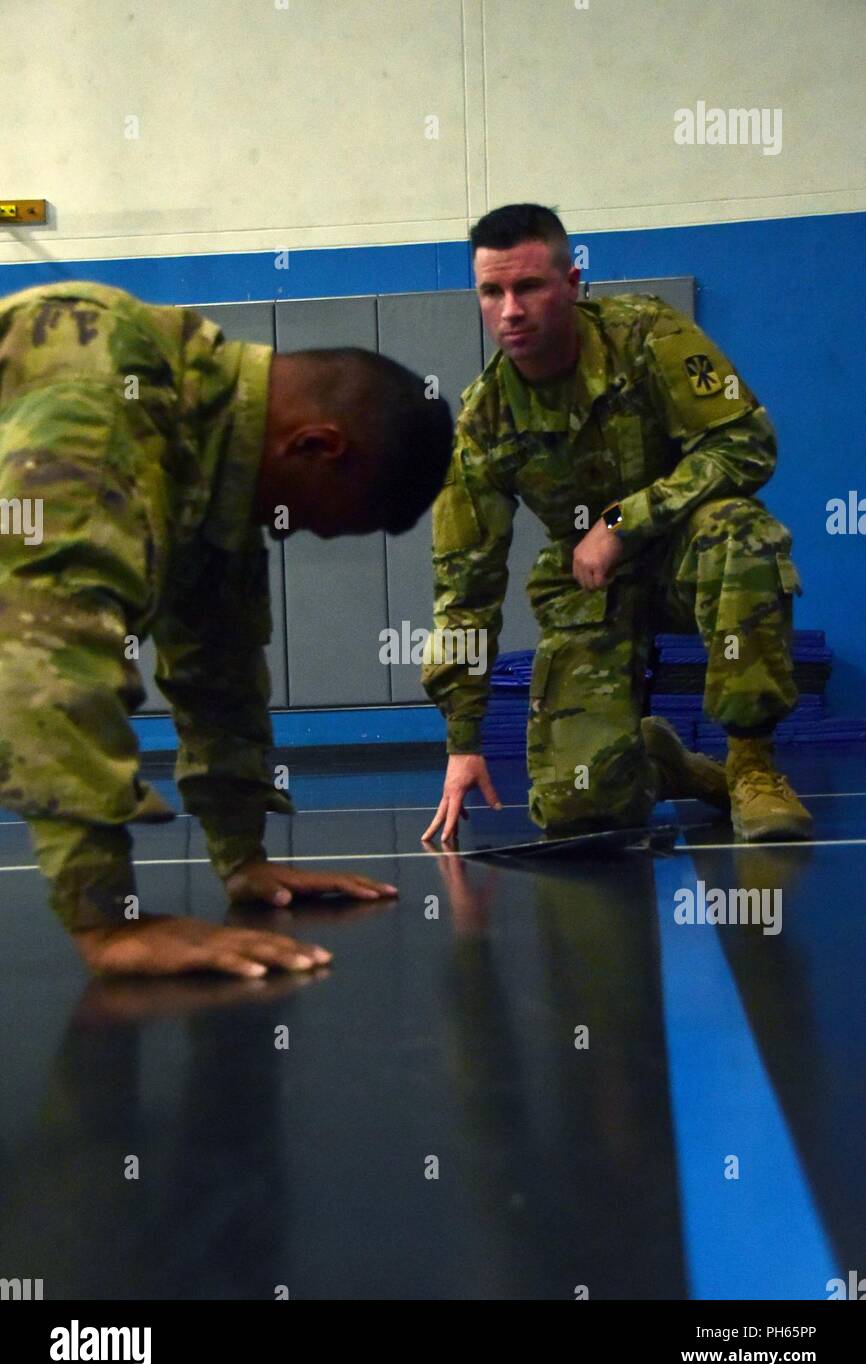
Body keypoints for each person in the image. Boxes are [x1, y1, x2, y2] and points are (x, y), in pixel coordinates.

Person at [0, 280, 453, 975]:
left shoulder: (216, 446)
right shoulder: (101, 405)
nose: (296, 529)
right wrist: (107, 923)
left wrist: (243, 858)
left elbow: (220, 664)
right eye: (311, 520)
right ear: (317, 445)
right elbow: (49, 656)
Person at [421, 204, 812, 846]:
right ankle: (665, 766)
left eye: (529, 287)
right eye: (492, 291)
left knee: (740, 530)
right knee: (582, 811)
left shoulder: (646, 335)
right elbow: (465, 586)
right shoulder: (483, 424)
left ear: (572, 284)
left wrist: (624, 520)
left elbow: (748, 440)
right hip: (589, 591)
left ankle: (751, 766)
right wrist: (462, 741)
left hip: (687, 552)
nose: (510, 311)